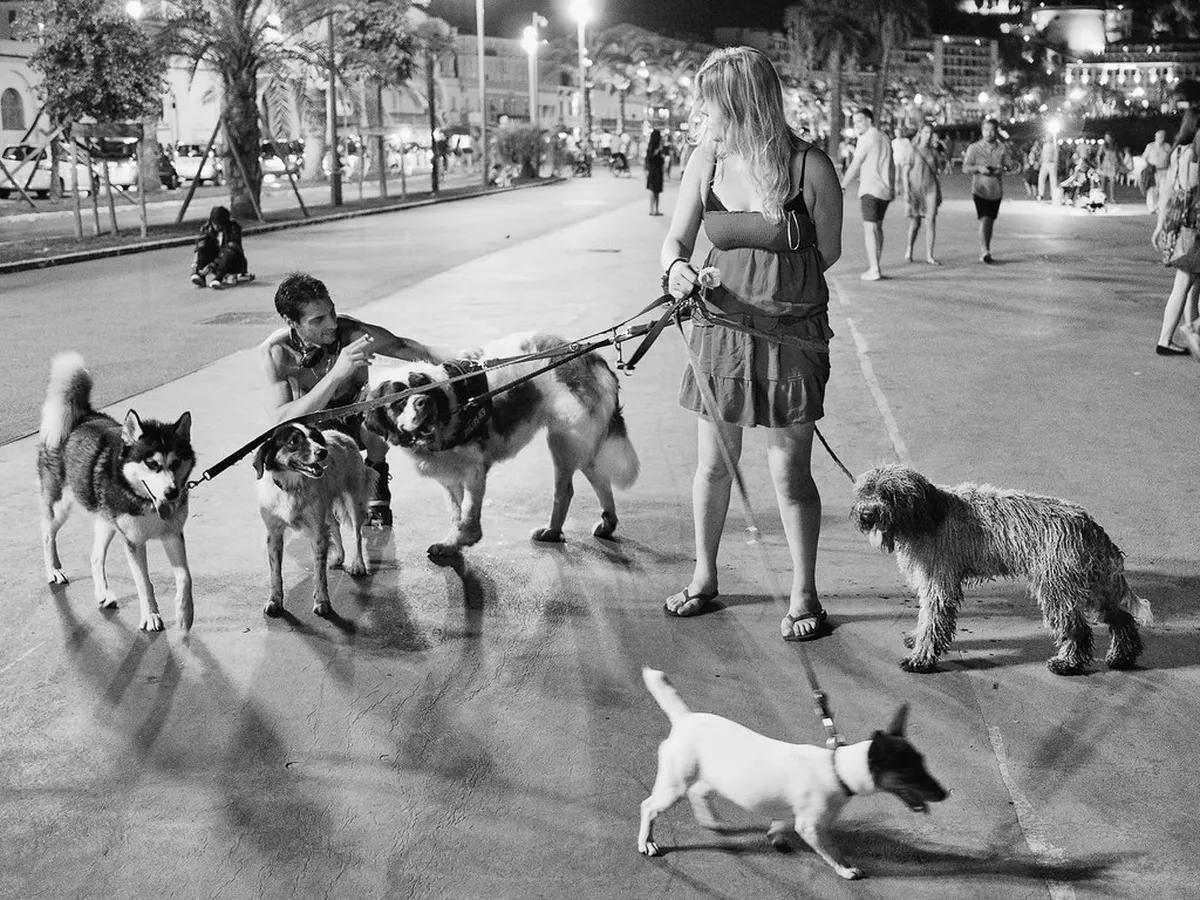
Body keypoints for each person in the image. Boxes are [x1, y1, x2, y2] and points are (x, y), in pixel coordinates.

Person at [659, 47, 843, 641]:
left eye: (709, 99)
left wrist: (773, 283)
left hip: (790, 335)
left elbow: (829, 252)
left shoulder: (809, 167)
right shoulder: (706, 159)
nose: (700, 110)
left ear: (740, 101)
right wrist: (676, 272)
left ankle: (804, 592)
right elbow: (675, 241)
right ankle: (704, 574)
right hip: (718, 330)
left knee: (789, 472)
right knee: (714, 465)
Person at [260, 273, 439, 526]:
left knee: (382, 402)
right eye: (318, 320)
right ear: (291, 321)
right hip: (317, 431)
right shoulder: (276, 352)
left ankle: (377, 473)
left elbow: (405, 347)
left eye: (332, 312)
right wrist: (336, 375)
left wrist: (459, 362)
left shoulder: (353, 332)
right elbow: (281, 417)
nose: (332, 324)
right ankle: (321, 486)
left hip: (360, 419)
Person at [1151, 106, 1200, 357]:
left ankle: (1169, 339)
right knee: (1185, 285)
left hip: (1179, 222)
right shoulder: (1193, 153)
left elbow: (1167, 191)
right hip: (1194, 224)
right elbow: (1193, 187)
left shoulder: (1177, 151)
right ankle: (1188, 332)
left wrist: (1160, 226)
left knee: (1189, 284)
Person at [840, 108, 894, 281]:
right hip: (884, 190)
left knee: (870, 229)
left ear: (869, 120)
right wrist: (892, 186)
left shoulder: (867, 138)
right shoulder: (884, 137)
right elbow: (891, 165)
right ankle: (876, 265)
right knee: (878, 227)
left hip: (870, 188)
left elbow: (856, 164)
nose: (856, 126)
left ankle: (874, 269)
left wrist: (842, 185)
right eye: (854, 123)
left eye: (859, 121)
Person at [962, 118, 1019, 263]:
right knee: (985, 219)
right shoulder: (974, 148)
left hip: (996, 190)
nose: (989, 133)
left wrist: (1006, 167)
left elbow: (1009, 165)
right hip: (980, 189)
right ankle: (985, 251)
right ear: (982, 130)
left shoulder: (1002, 148)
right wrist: (979, 168)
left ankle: (986, 247)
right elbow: (965, 167)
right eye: (986, 129)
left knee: (990, 220)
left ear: (996, 131)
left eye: (992, 130)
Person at [901, 123, 943, 265]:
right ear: (920, 133)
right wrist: (906, 192)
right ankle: (909, 249)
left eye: (930, 133)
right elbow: (905, 172)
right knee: (915, 223)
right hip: (915, 190)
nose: (928, 135)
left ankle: (930, 255)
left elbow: (937, 173)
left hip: (931, 189)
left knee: (930, 221)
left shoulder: (934, 152)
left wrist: (939, 193)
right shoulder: (912, 150)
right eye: (925, 132)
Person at [190, 206, 253, 289]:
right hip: (215, 260)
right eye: (215, 224)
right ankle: (199, 275)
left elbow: (232, 247)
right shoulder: (207, 228)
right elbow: (199, 247)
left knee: (230, 250)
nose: (217, 227)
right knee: (203, 245)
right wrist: (195, 263)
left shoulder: (234, 228)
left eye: (219, 224)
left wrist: (213, 265)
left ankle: (218, 279)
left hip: (232, 261)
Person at [1142, 129, 1172, 214]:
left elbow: (1170, 158)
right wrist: (1149, 166)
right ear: (1155, 137)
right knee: (1152, 190)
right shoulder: (1150, 146)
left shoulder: (1167, 146)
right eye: (1158, 137)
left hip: (1164, 170)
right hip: (1153, 171)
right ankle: (1152, 208)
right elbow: (1144, 157)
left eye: (1162, 137)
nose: (1160, 138)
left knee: (1163, 189)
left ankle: (1160, 206)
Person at [1097, 132, 1124, 205]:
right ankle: (1103, 199)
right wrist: (1099, 165)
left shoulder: (1115, 146)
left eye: (1109, 137)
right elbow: (1099, 155)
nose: (1108, 139)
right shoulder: (1103, 146)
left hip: (1113, 166)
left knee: (1112, 183)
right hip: (1105, 165)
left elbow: (1119, 155)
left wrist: (1120, 164)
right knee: (1103, 183)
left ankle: (1112, 198)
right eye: (1106, 138)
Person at [645, 128, 666, 216]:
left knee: (657, 192)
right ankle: (652, 210)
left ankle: (656, 209)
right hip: (654, 172)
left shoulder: (658, 148)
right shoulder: (651, 149)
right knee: (653, 191)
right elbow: (650, 159)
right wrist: (658, 153)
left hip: (657, 172)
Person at [1037, 133, 1060, 201]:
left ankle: (1053, 195)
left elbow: (1056, 155)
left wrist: (1055, 163)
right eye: (1046, 137)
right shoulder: (1044, 145)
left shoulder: (1054, 145)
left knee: (1053, 180)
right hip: (1044, 163)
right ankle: (1041, 194)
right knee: (1041, 178)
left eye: (1048, 137)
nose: (1047, 138)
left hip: (1051, 164)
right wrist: (1040, 161)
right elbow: (1042, 154)